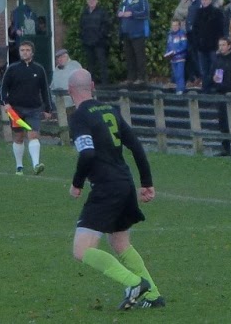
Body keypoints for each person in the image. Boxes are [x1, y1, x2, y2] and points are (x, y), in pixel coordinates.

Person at [65, 68, 163, 310]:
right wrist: (146, 182)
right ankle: (153, 295)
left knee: (81, 250)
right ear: (93, 86)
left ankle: (134, 283)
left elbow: (87, 154)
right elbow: (136, 146)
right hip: (125, 183)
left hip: (106, 189)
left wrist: (77, 183)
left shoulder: (79, 117)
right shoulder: (110, 110)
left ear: (69, 91)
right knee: (120, 242)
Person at [0, 40, 51, 175]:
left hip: (34, 108)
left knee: (33, 135)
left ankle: (36, 165)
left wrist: (48, 108)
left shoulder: (39, 69)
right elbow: (3, 88)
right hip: (16, 110)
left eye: (27, 50)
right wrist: (5, 102)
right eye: (22, 50)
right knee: (18, 137)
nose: (25, 53)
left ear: (32, 53)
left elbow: (45, 90)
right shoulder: (12, 69)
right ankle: (19, 166)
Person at [117, 0, 151, 85]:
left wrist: (132, 14)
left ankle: (141, 78)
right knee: (129, 56)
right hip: (126, 33)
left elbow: (145, 13)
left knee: (139, 56)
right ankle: (131, 78)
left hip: (138, 33)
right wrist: (119, 13)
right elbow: (119, 10)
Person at [79, 0, 111, 85]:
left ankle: (105, 84)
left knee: (102, 63)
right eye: (90, 0)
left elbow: (106, 25)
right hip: (88, 43)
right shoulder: (84, 13)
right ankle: (91, 83)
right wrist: (83, 37)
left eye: (93, 0)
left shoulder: (102, 12)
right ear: (87, 2)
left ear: (97, 1)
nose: (91, 2)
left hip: (99, 42)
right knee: (90, 65)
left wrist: (100, 36)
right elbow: (81, 26)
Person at [162, 18, 188, 92]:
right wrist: (167, 53)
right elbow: (168, 46)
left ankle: (181, 89)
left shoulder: (182, 34)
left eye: (176, 25)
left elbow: (184, 46)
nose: (174, 27)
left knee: (180, 74)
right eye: (173, 25)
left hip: (180, 58)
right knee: (176, 75)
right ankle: (178, 89)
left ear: (179, 26)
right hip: (172, 58)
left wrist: (176, 52)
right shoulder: (170, 35)